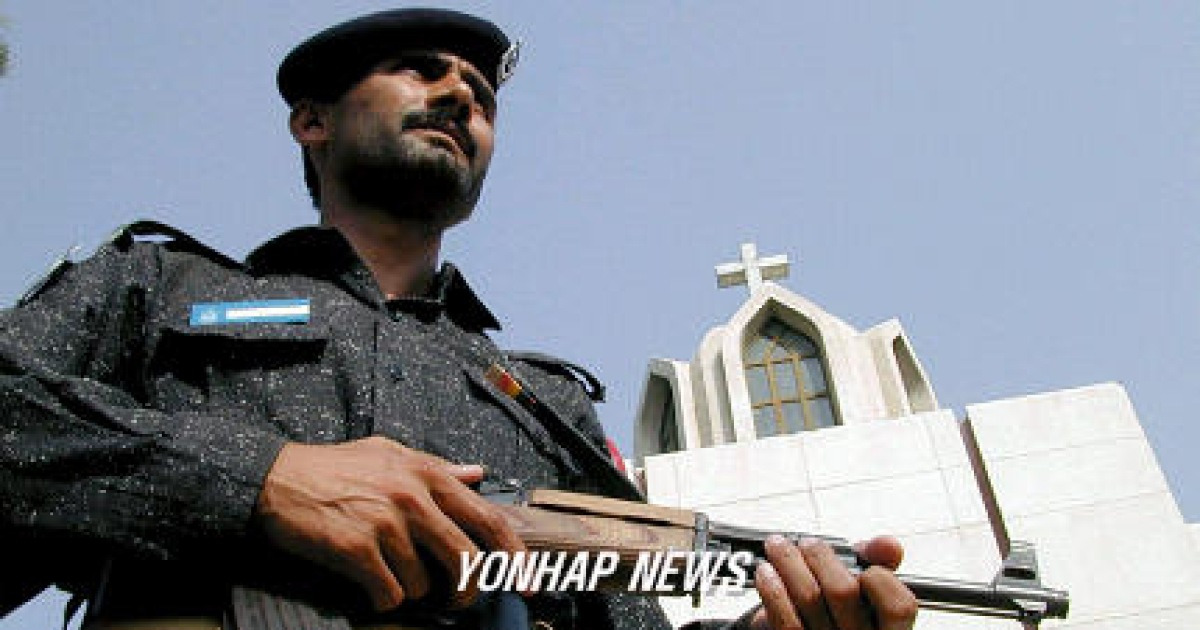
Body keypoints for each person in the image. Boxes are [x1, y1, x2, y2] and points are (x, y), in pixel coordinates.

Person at [0, 8, 918, 630]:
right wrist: (263, 479)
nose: (464, 97)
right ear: (312, 121)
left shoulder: (545, 400)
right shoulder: (150, 287)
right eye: (420, 71)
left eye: (480, 93)